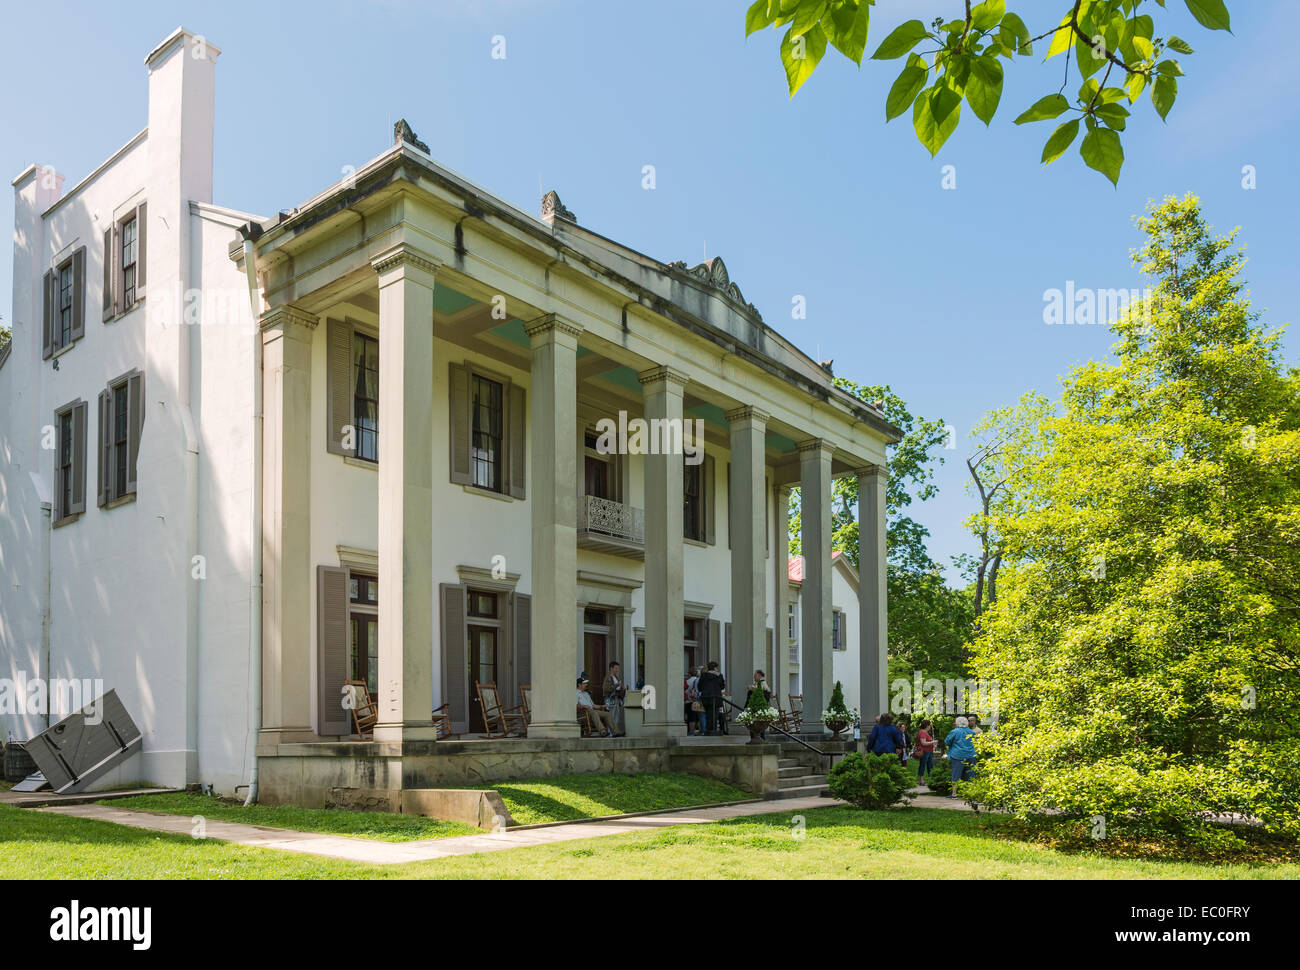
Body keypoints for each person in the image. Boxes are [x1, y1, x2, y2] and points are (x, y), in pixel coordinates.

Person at [943, 715, 977, 794]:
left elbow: (947, 742)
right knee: (970, 775)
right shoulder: (971, 732)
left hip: (957, 756)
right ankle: (969, 793)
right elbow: (975, 743)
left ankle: (954, 793)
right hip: (971, 755)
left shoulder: (954, 731)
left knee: (956, 775)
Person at [696, 661, 726, 735]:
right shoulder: (719, 675)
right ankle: (713, 729)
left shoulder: (704, 675)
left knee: (707, 713)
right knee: (715, 713)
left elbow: (699, 687)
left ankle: (708, 729)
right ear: (715, 667)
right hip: (716, 697)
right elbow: (722, 686)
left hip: (706, 697)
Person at [745, 670, 772, 739]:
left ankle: (759, 739)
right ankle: (757, 739)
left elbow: (760, 692)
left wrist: (751, 688)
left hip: (758, 708)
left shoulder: (762, 684)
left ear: (760, 676)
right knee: (755, 725)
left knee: (758, 725)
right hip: (754, 707)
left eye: (755, 675)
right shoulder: (758, 684)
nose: (754, 677)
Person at [603, 661, 627, 737]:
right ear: (611, 668)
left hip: (616, 697)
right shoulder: (608, 677)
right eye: (616, 668)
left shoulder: (616, 677)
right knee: (611, 715)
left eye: (617, 668)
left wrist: (622, 688)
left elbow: (618, 687)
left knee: (616, 715)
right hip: (611, 699)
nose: (617, 670)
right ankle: (610, 732)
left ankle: (615, 731)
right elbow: (606, 688)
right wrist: (616, 685)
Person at [914, 718, 937, 785]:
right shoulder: (922, 732)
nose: (930, 727)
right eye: (930, 725)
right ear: (927, 725)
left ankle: (931, 779)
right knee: (923, 765)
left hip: (928, 751)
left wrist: (933, 744)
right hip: (924, 751)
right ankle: (921, 780)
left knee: (930, 765)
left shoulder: (925, 732)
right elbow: (923, 743)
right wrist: (933, 742)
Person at [684, 667, 703, 736]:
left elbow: (687, 691)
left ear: (689, 674)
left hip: (690, 701)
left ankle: (691, 731)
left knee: (691, 717)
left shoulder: (687, 681)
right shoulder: (699, 680)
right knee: (699, 717)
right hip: (698, 700)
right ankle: (701, 730)